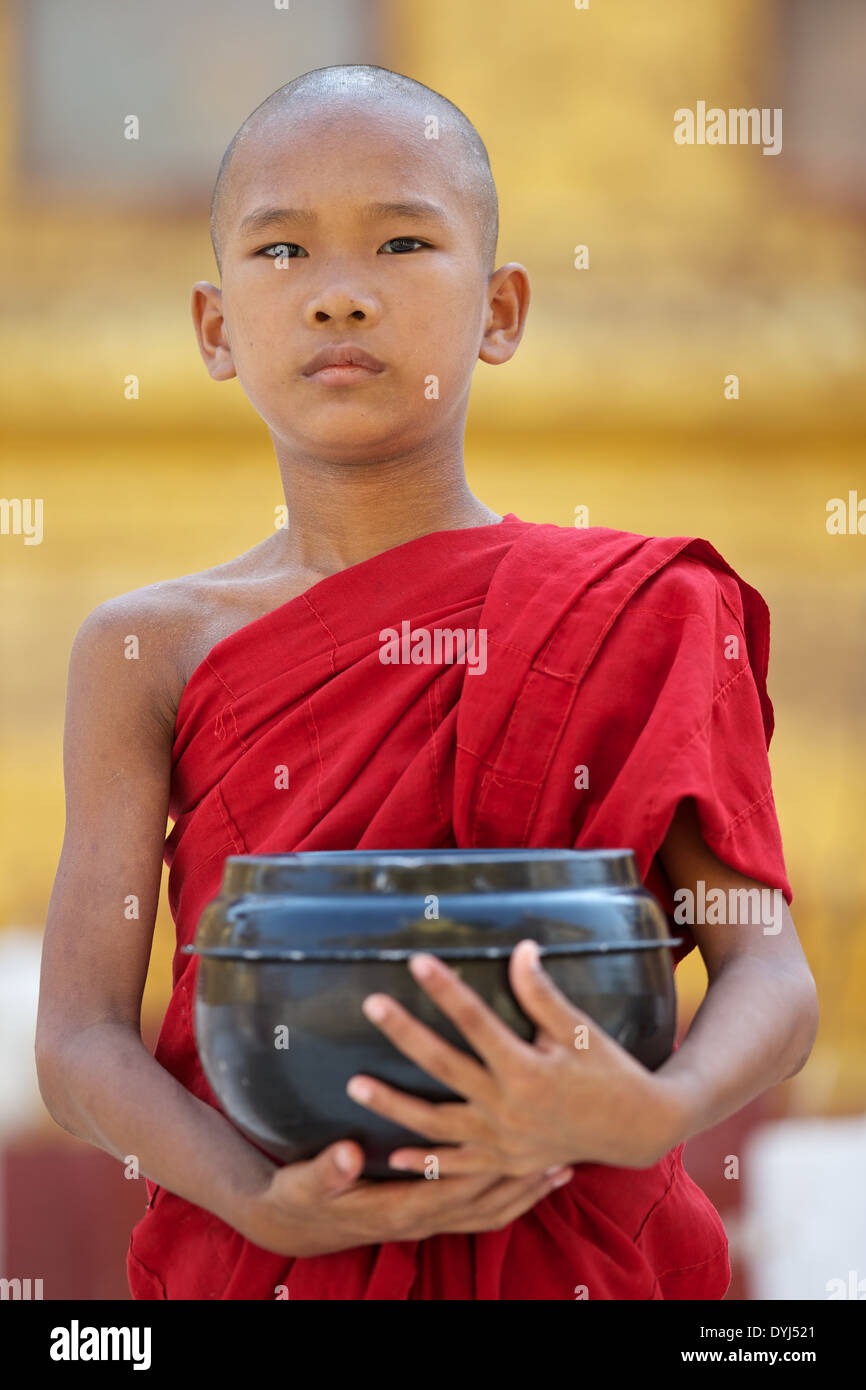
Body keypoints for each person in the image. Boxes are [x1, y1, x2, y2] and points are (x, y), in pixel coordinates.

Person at [35, 64, 818, 1301]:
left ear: (499, 310)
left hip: (579, 1249)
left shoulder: (642, 612)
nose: (339, 295)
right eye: (281, 250)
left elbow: (767, 972)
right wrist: (259, 1204)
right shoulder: (148, 648)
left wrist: (650, 1112)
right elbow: (79, 1040)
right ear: (214, 327)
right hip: (262, 1260)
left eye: (403, 240)